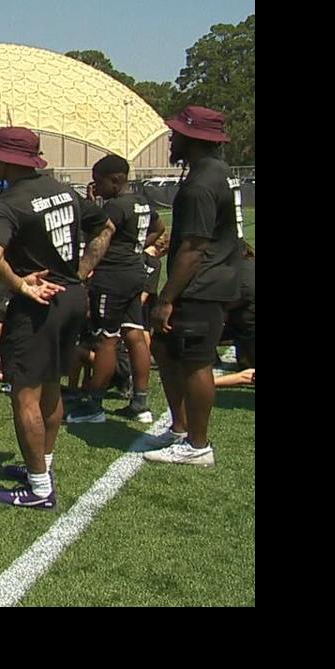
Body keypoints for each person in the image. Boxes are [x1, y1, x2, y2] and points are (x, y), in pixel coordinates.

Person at [0, 127, 114, 509]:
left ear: (10, 160)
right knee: (52, 384)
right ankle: (43, 465)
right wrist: (82, 270)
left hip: (38, 305)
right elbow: (106, 226)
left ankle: (39, 488)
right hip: (71, 296)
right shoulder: (62, 189)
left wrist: (20, 285)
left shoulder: (9, 202)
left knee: (26, 394)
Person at [144, 106, 244, 467]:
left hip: (201, 285)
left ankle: (197, 445)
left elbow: (195, 247)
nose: (172, 138)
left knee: (195, 361)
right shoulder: (210, 172)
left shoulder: (203, 182)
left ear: (195, 138)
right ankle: (180, 428)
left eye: (178, 133)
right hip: (207, 278)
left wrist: (166, 298)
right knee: (166, 349)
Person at [66, 155, 163, 425]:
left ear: (116, 180)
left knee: (105, 338)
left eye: (99, 182)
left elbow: (98, 236)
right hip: (134, 271)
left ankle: (94, 405)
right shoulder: (142, 202)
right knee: (134, 333)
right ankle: (140, 402)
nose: (96, 187)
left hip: (112, 276)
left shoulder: (115, 207)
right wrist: (135, 246)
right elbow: (159, 227)